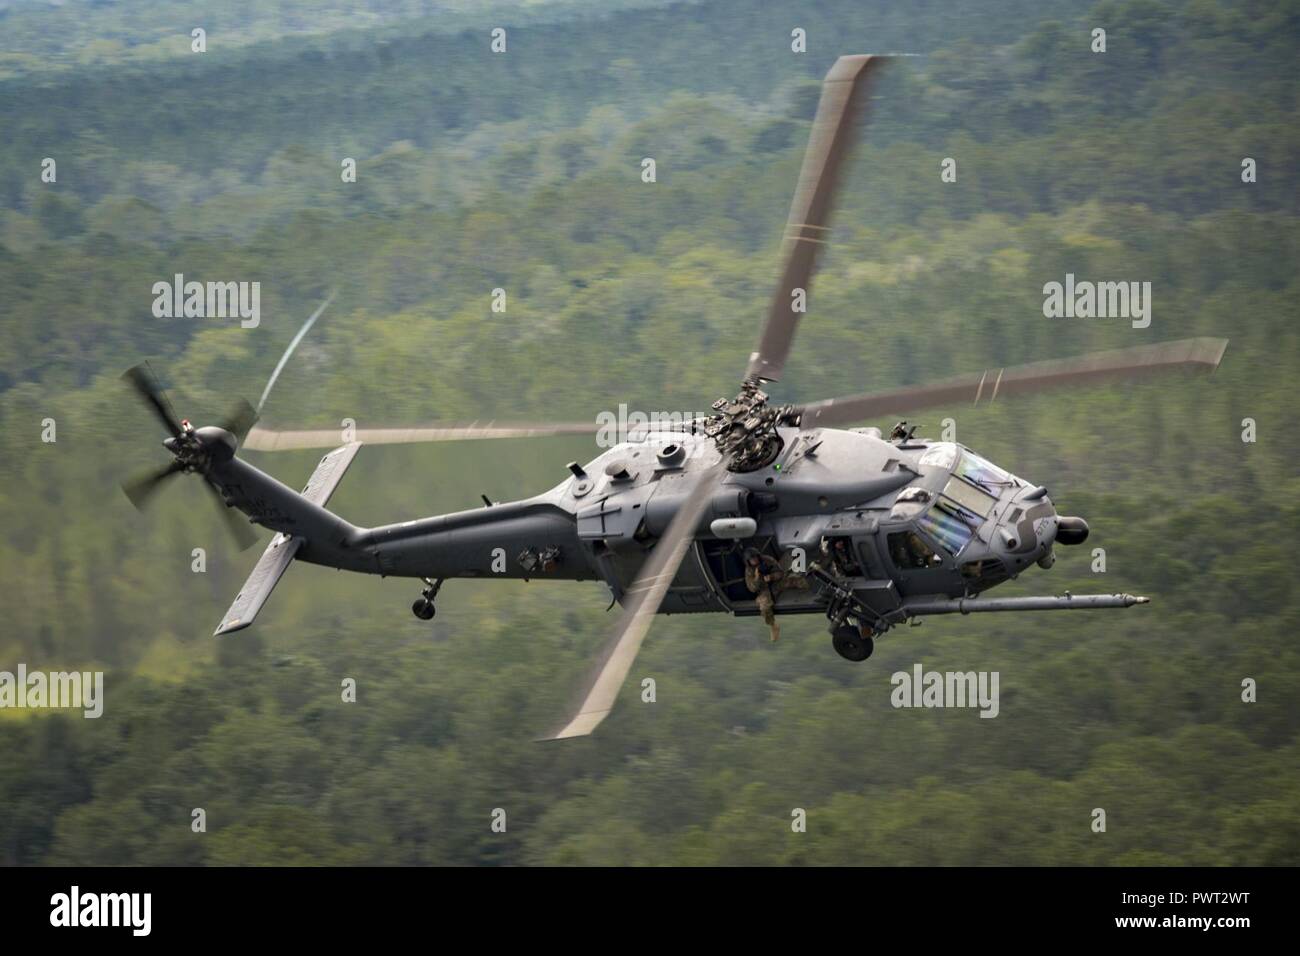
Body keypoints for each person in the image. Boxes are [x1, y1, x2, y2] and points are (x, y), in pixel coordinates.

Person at [743, 547, 808, 643]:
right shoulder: (749, 571)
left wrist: (772, 576)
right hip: (765, 589)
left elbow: (780, 572)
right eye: (751, 559)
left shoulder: (767, 560)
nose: (754, 560)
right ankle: (773, 626)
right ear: (748, 561)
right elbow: (752, 588)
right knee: (764, 607)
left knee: (798, 580)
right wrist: (757, 578)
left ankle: (810, 594)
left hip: (777, 583)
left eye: (755, 557)